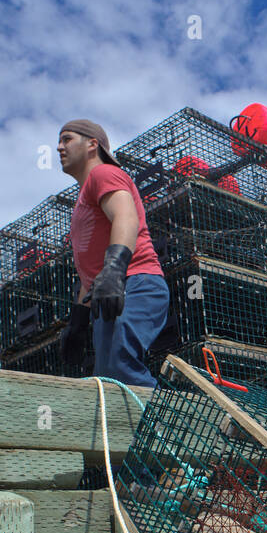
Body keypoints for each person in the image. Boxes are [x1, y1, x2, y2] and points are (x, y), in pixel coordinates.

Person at [57, 119, 169, 387]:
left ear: (92, 144)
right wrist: (78, 321)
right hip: (110, 294)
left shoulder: (103, 174)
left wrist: (114, 270)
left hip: (137, 283)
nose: (59, 147)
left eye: (67, 139)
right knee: (107, 380)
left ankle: (166, 429)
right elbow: (90, 273)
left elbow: (126, 217)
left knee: (121, 370)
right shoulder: (83, 199)